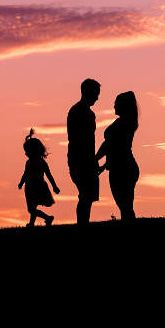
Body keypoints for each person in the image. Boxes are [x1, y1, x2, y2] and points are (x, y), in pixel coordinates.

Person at [97, 91, 140, 221]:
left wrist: (98, 160)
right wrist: (102, 163)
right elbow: (112, 146)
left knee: (125, 205)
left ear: (123, 106)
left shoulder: (123, 124)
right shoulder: (124, 123)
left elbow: (112, 146)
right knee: (125, 206)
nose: (114, 106)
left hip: (122, 168)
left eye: (116, 103)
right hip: (123, 166)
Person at [66, 78, 103, 225]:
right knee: (85, 195)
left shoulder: (90, 114)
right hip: (79, 158)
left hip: (88, 159)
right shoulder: (77, 111)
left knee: (88, 196)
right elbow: (78, 139)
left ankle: (83, 224)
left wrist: (94, 160)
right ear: (87, 92)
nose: (97, 98)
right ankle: (82, 225)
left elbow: (90, 140)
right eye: (96, 93)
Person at [17, 128, 61, 226]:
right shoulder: (31, 162)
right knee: (33, 207)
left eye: (27, 151)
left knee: (31, 209)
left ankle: (47, 218)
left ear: (32, 151)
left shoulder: (38, 163)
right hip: (32, 186)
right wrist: (21, 182)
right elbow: (26, 174)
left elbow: (49, 175)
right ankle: (32, 223)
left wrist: (54, 186)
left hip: (36, 187)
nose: (25, 153)